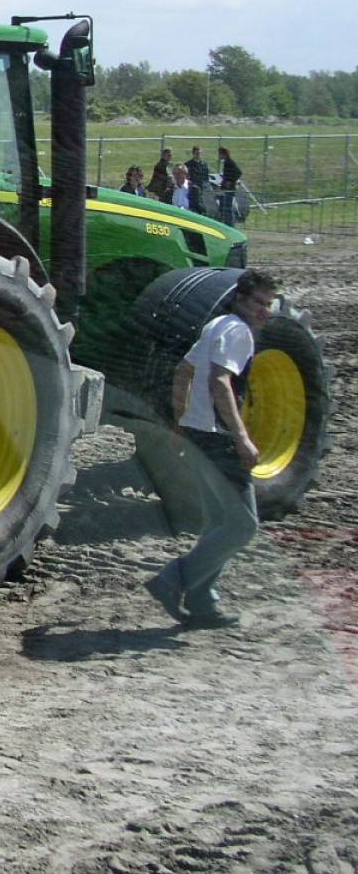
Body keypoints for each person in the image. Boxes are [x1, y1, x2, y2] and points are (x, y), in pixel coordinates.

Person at [143, 269, 278, 629]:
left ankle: (202, 601)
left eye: (269, 303)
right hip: (219, 438)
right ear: (240, 299)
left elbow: (182, 372)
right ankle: (174, 578)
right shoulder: (238, 332)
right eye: (258, 302)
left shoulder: (216, 325)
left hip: (199, 435)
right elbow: (221, 382)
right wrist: (242, 437)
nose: (264, 310)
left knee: (218, 520)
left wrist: (181, 421)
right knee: (243, 525)